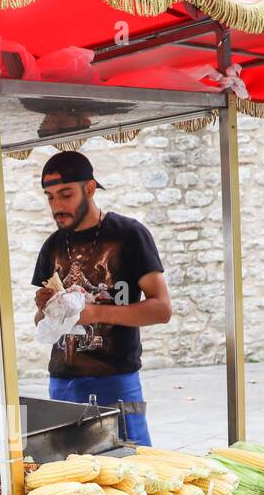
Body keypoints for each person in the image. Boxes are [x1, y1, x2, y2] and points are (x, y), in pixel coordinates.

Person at [31, 151, 171, 446]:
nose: (57, 206)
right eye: (50, 197)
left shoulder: (128, 235)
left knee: (134, 468)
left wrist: (96, 314)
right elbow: (41, 322)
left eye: (65, 194)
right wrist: (45, 310)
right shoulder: (52, 246)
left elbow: (161, 309)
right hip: (61, 383)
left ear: (90, 188)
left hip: (116, 380)